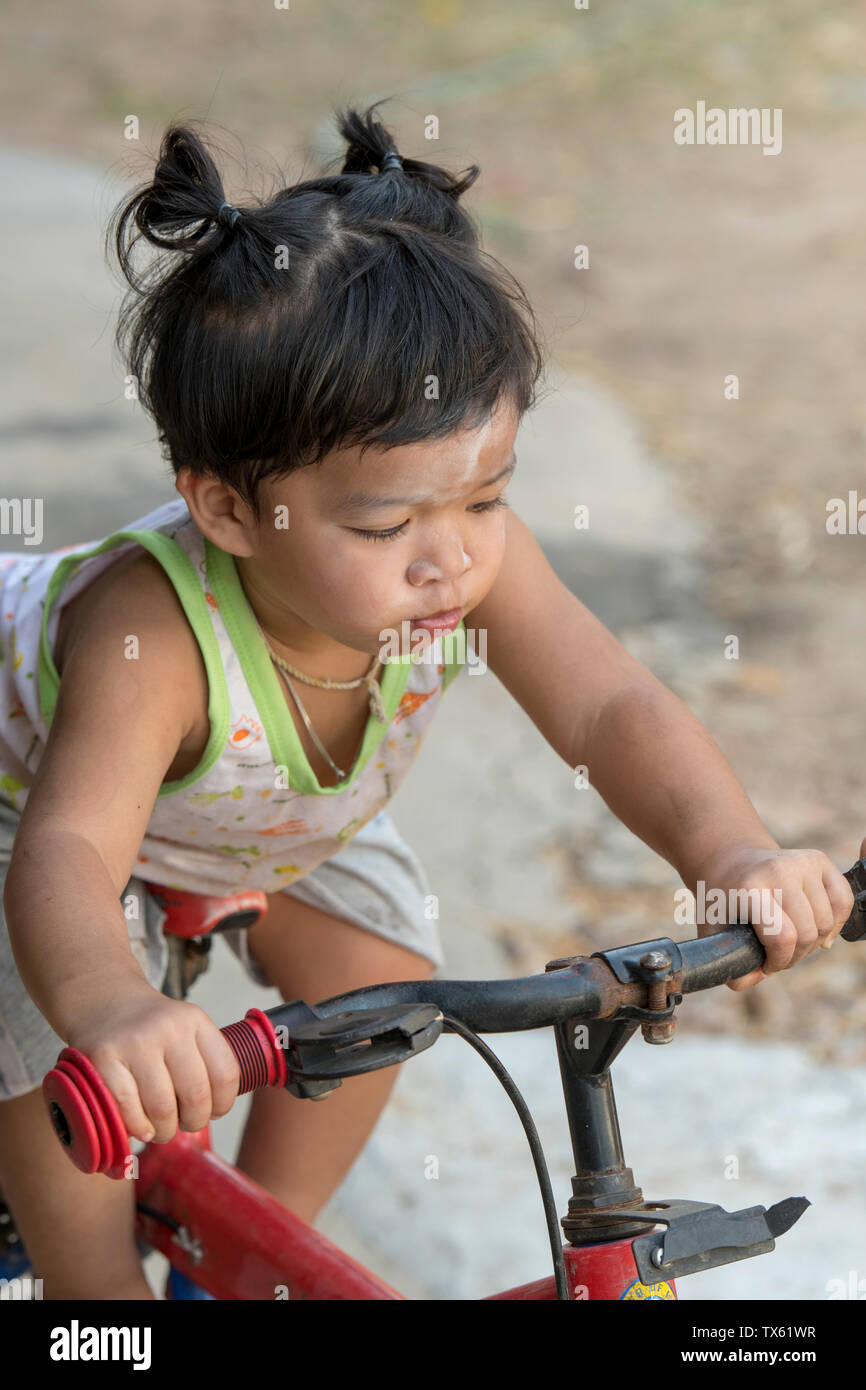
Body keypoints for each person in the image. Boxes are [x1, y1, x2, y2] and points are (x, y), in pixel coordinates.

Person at [0, 101, 854, 1301]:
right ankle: (101, 1308)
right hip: (29, 797)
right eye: (389, 521)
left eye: (484, 497)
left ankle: (243, 1248)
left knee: (385, 960)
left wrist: (736, 851)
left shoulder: (457, 566)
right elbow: (70, 848)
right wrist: (114, 1007)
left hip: (245, 818)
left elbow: (608, 704)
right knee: (61, 1080)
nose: (449, 558)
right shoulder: (151, 633)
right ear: (232, 511)